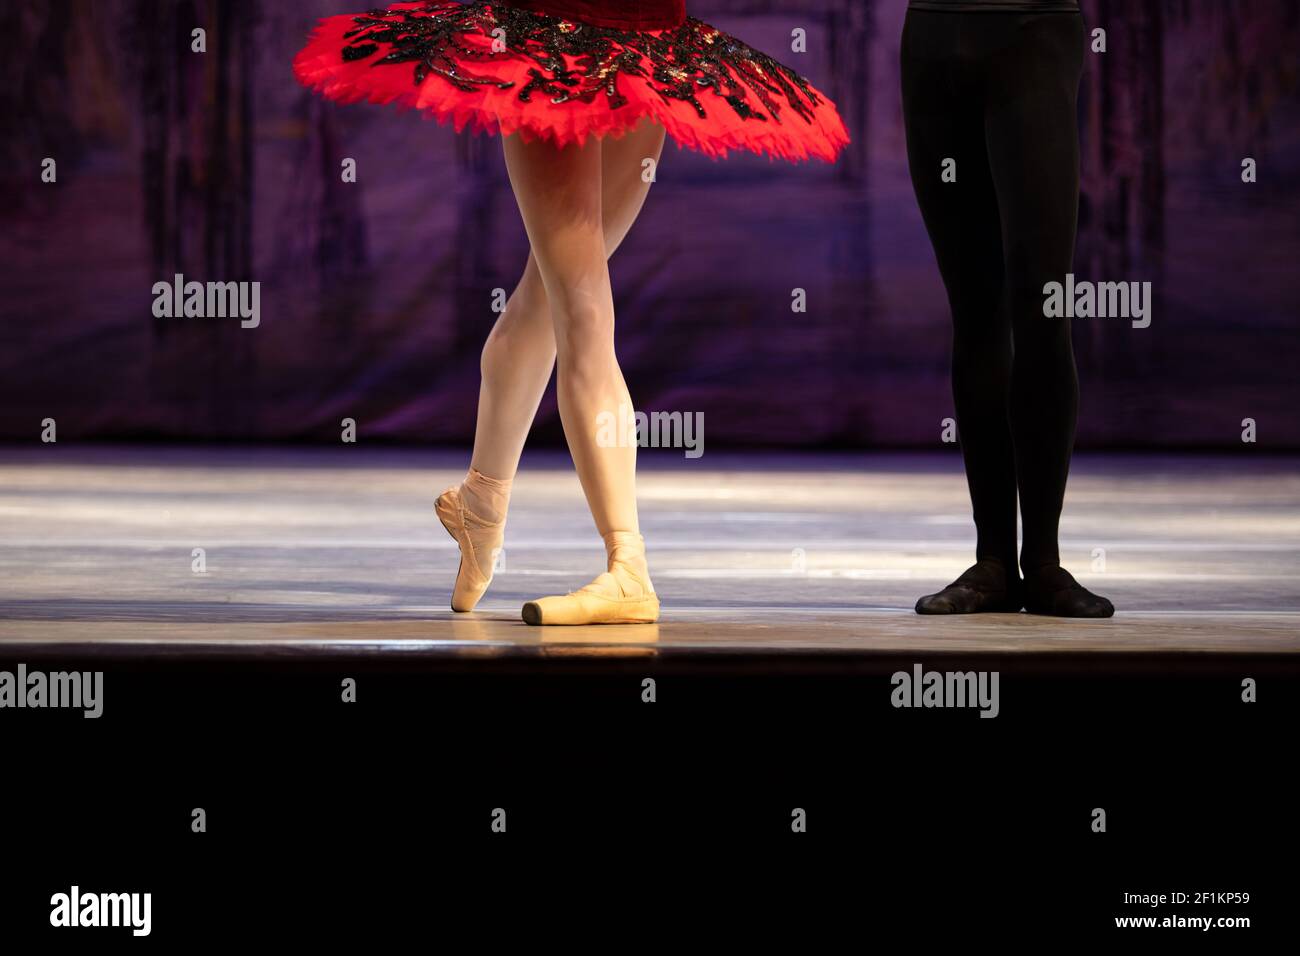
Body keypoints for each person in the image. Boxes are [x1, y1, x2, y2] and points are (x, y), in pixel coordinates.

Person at [295, 1, 848, 624]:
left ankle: (481, 502)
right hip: (551, 44)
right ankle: (627, 564)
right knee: (579, 307)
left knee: (550, 298)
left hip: (647, 41)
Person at [901, 0, 1114, 617]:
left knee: (1042, 305)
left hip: (1032, 30)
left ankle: (1043, 562)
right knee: (975, 313)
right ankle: (992, 561)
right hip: (934, 37)